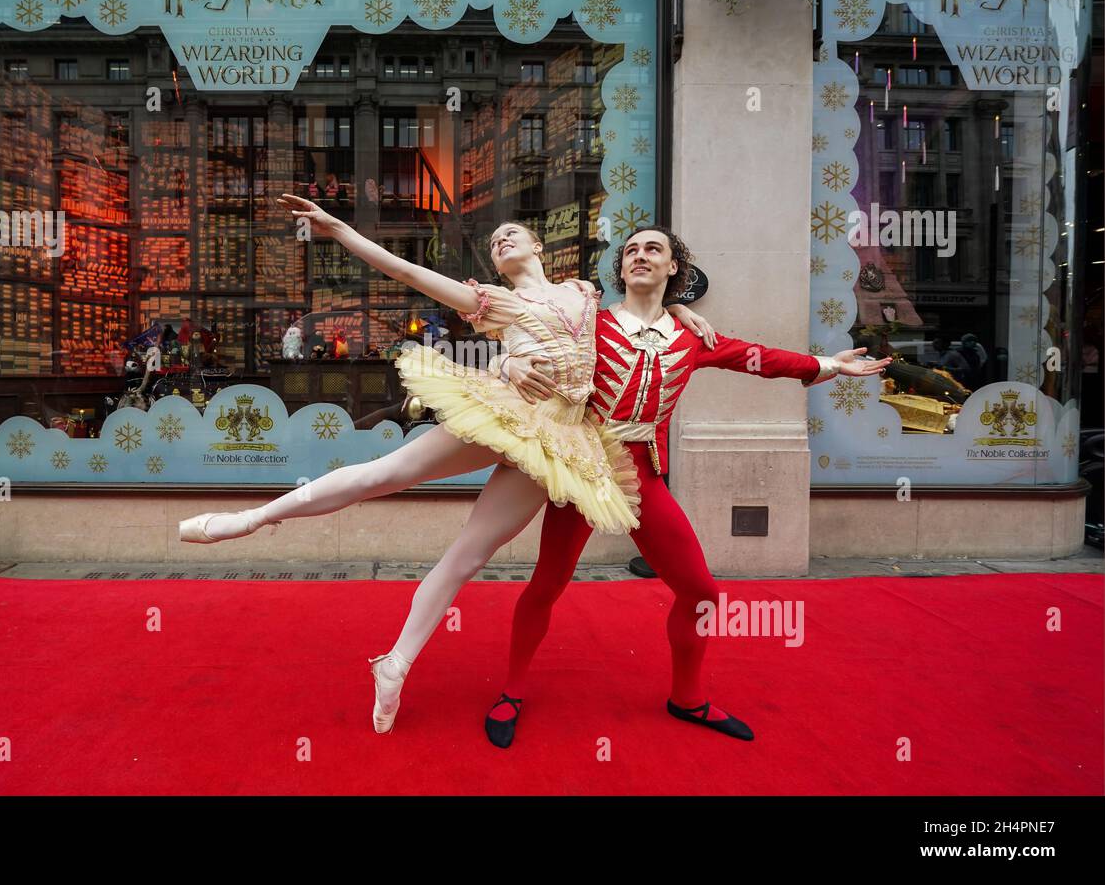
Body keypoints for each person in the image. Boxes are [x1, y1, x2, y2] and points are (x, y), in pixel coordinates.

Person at [179, 196, 714, 733]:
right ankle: (249, 519)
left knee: (467, 556)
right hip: (507, 414)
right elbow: (407, 271)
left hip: (560, 441)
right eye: (494, 242)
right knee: (383, 474)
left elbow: (639, 318)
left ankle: (396, 664)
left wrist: (683, 311)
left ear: (538, 247)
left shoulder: (583, 292)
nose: (502, 241)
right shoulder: (492, 301)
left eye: (512, 234)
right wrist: (341, 230)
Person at [483, 226, 891, 748]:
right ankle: (512, 691)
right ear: (620, 268)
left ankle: (688, 697)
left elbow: (758, 358)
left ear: (674, 267)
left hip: (644, 476)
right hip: (585, 471)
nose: (639, 256)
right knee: (547, 585)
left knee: (700, 591)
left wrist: (829, 364)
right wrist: (508, 361)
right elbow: (536, 329)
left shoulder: (690, 337)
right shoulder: (593, 322)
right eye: (630, 250)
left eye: (653, 249)